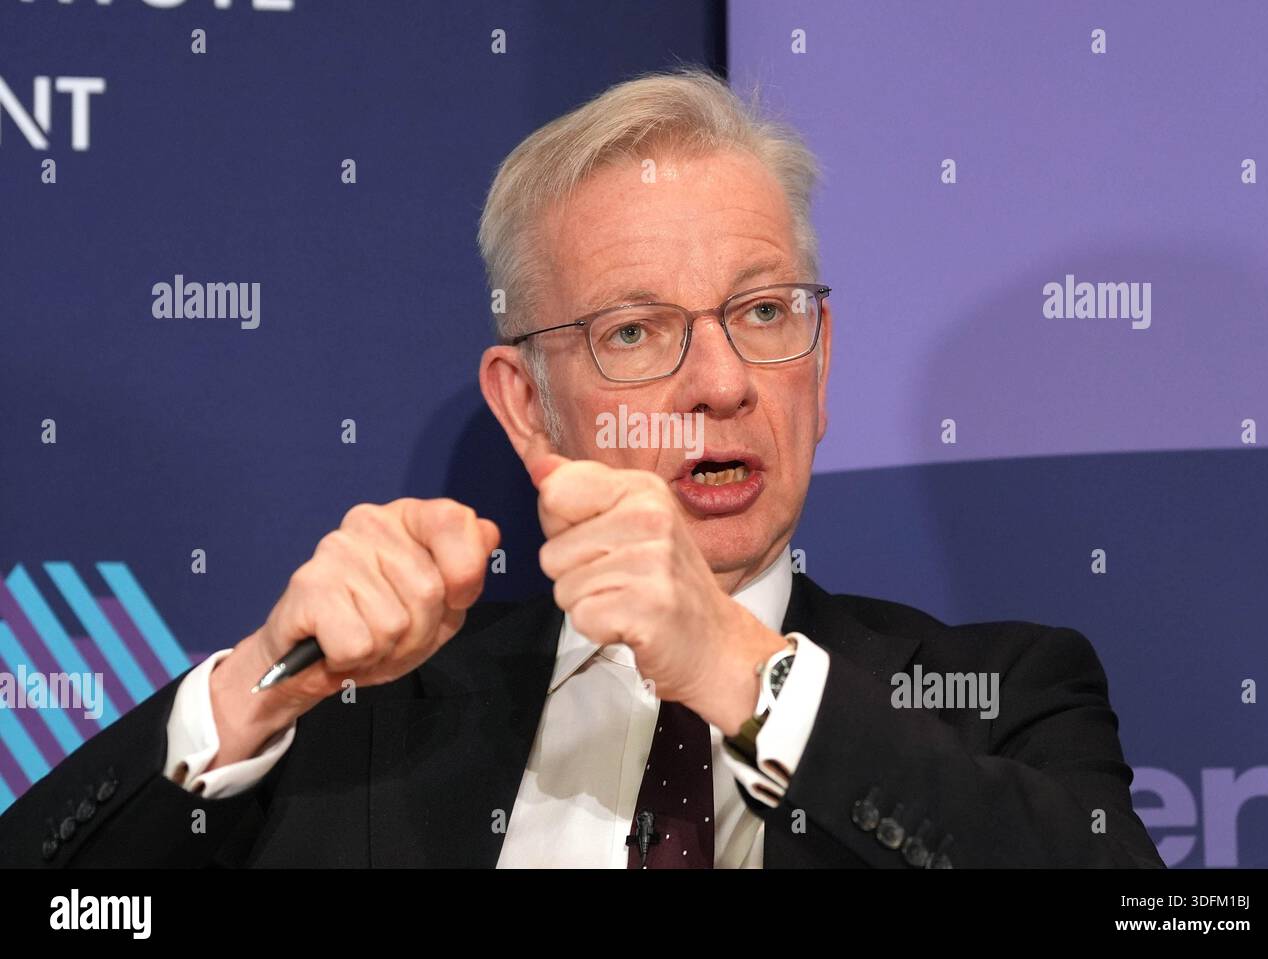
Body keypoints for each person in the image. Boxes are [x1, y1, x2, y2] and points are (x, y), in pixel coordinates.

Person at [0, 67, 1164, 868]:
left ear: (821, 358)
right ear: (527, 405)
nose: (720, 380)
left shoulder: (999, 697)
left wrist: (737, 672)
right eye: (636, 330)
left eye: (763, 310)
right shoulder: (368, 724)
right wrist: (258, 685)